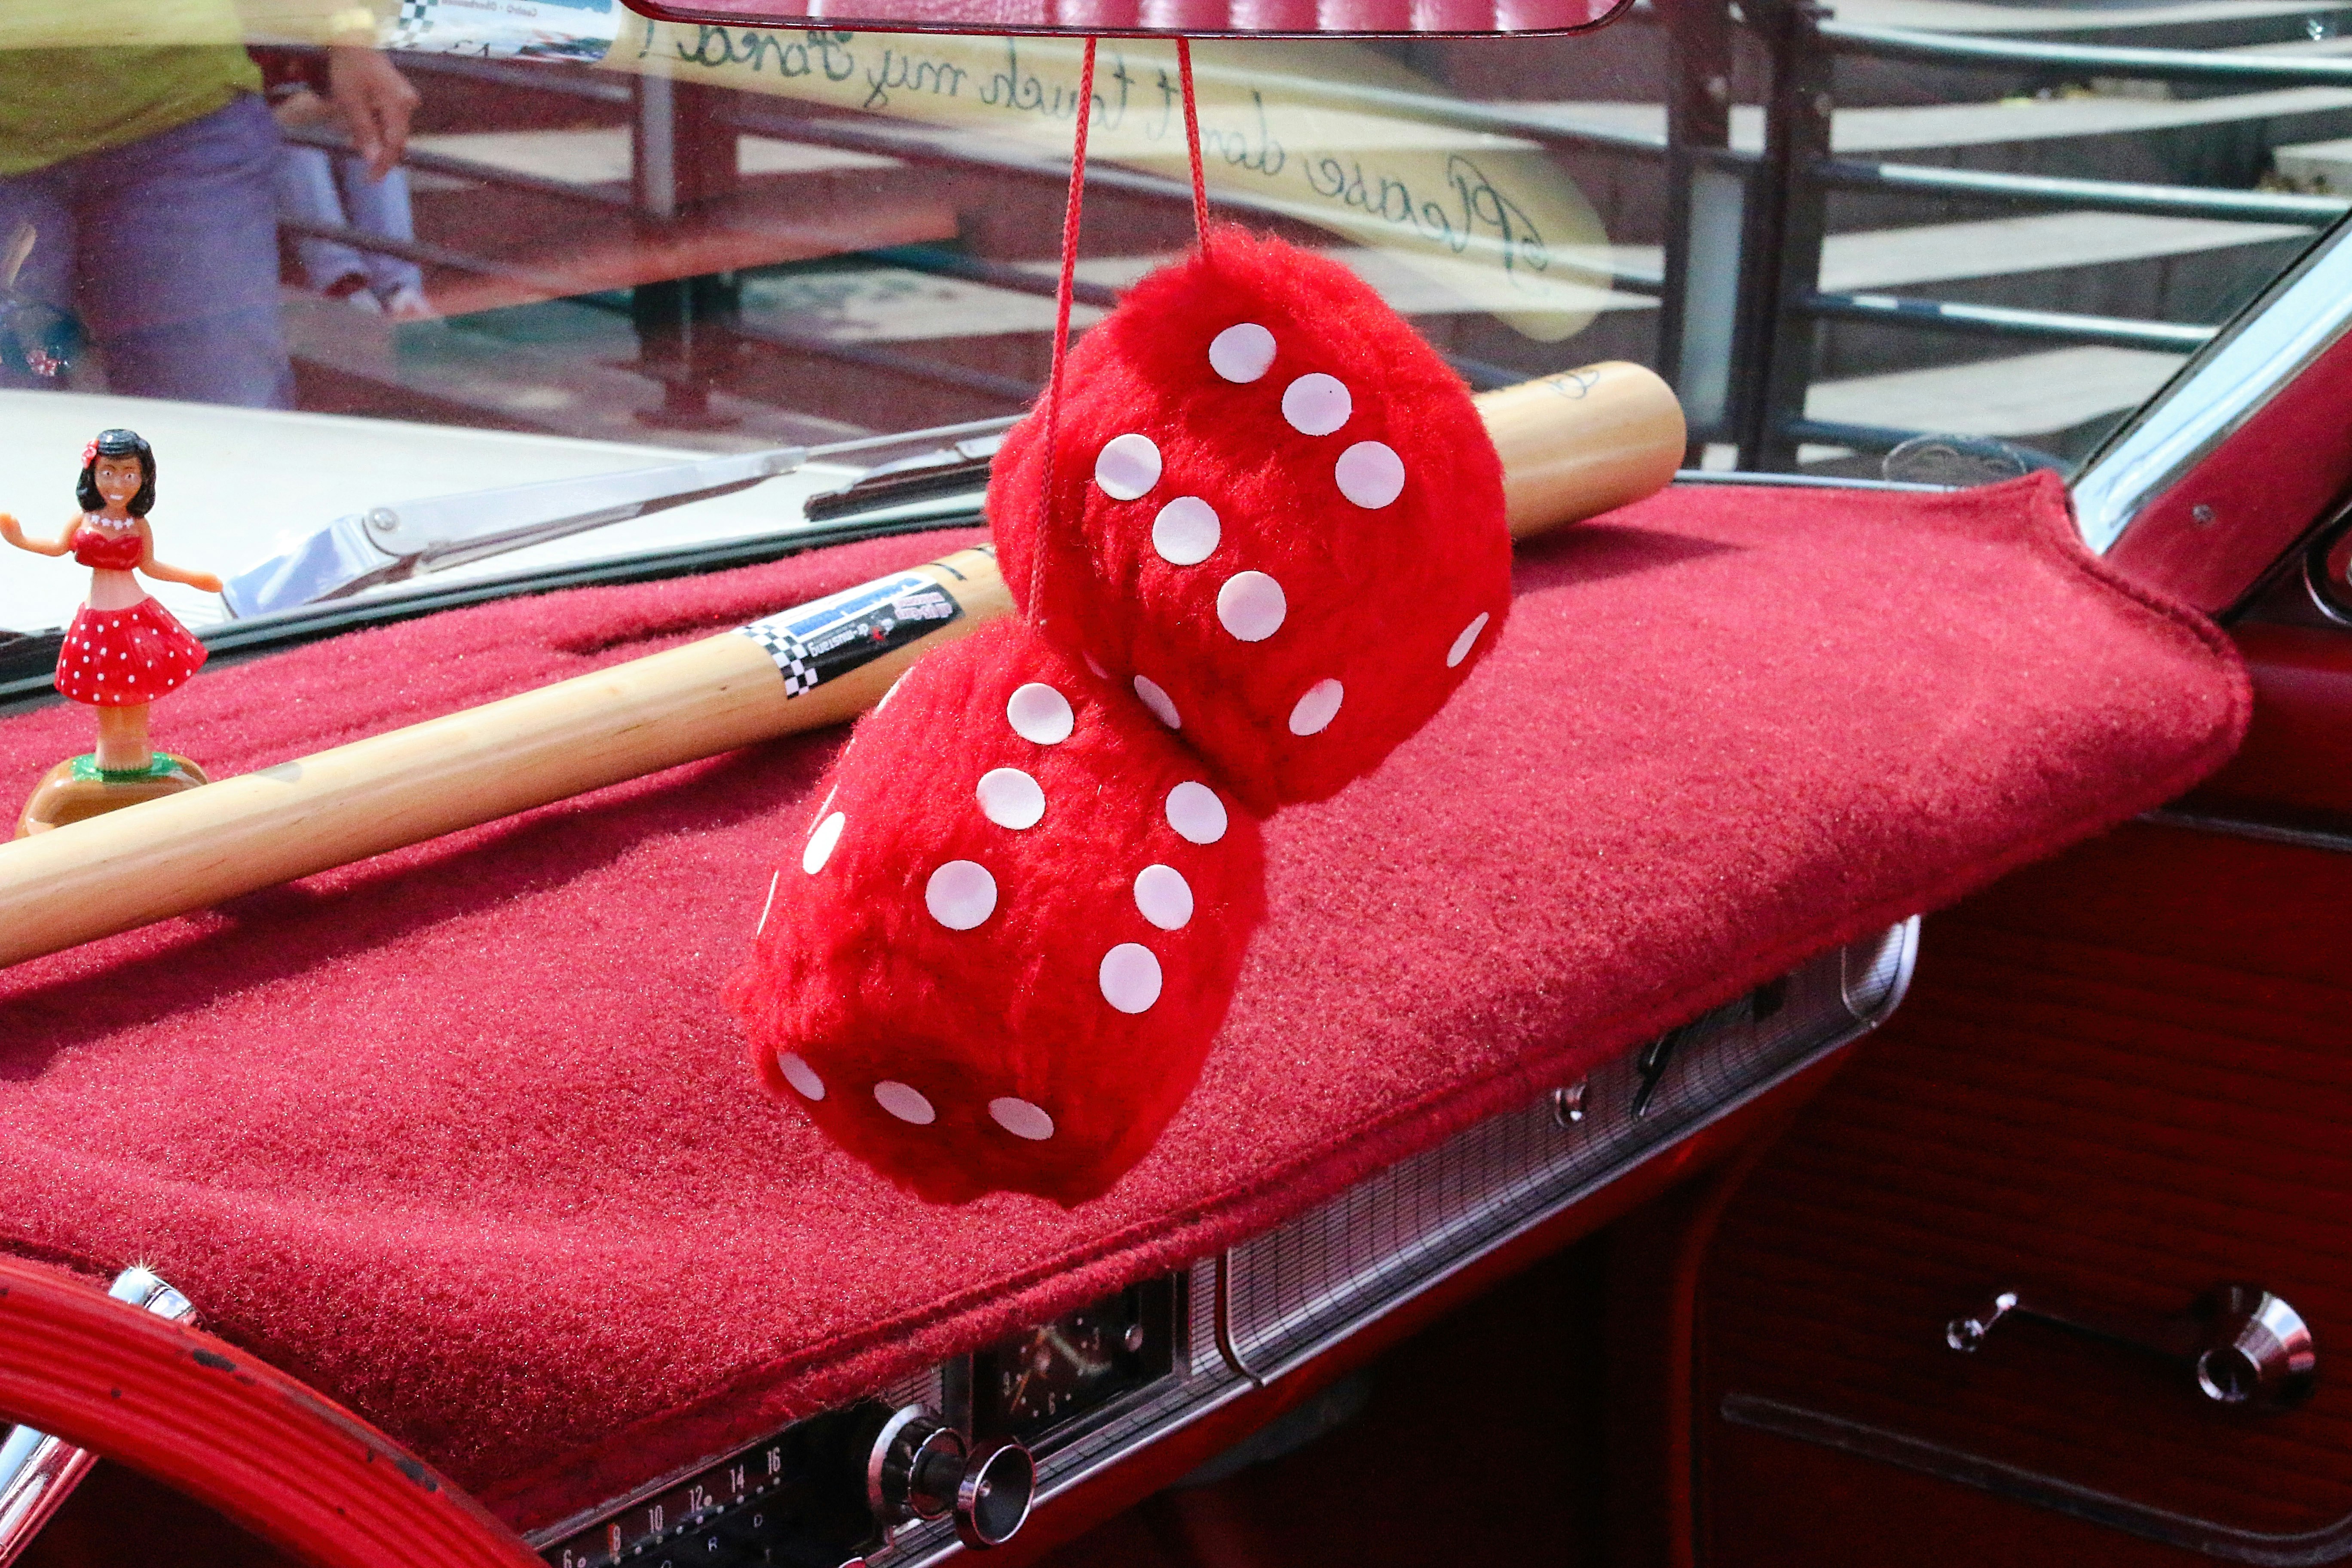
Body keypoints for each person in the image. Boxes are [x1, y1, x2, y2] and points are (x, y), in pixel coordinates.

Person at [0, 24, 419, 407]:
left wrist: (348, 34)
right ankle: (368, 280)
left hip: (180, 116)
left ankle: (378, 281)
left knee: (223, 413)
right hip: (165, 120)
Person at [0, 429, 220, 774]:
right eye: (108, 473)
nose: (118, 484)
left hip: (136, 616)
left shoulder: (138, 525)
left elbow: (151, 566)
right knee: (104, 687)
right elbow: (57, 547)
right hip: (96, 618)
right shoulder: (83, 519)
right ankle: (110, 753)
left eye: (129, 475)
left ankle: (136, 750)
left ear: (144, 478)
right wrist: (19, 539)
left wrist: (193, 578)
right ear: (92, 474)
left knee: (138, 686)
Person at [259, 49, 436, 320]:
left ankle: (399, 289)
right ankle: (343, 284)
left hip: (326, 116)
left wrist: (337, 107)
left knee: (372, 141)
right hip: (267, 135)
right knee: (299, 151)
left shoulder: (338, 33)